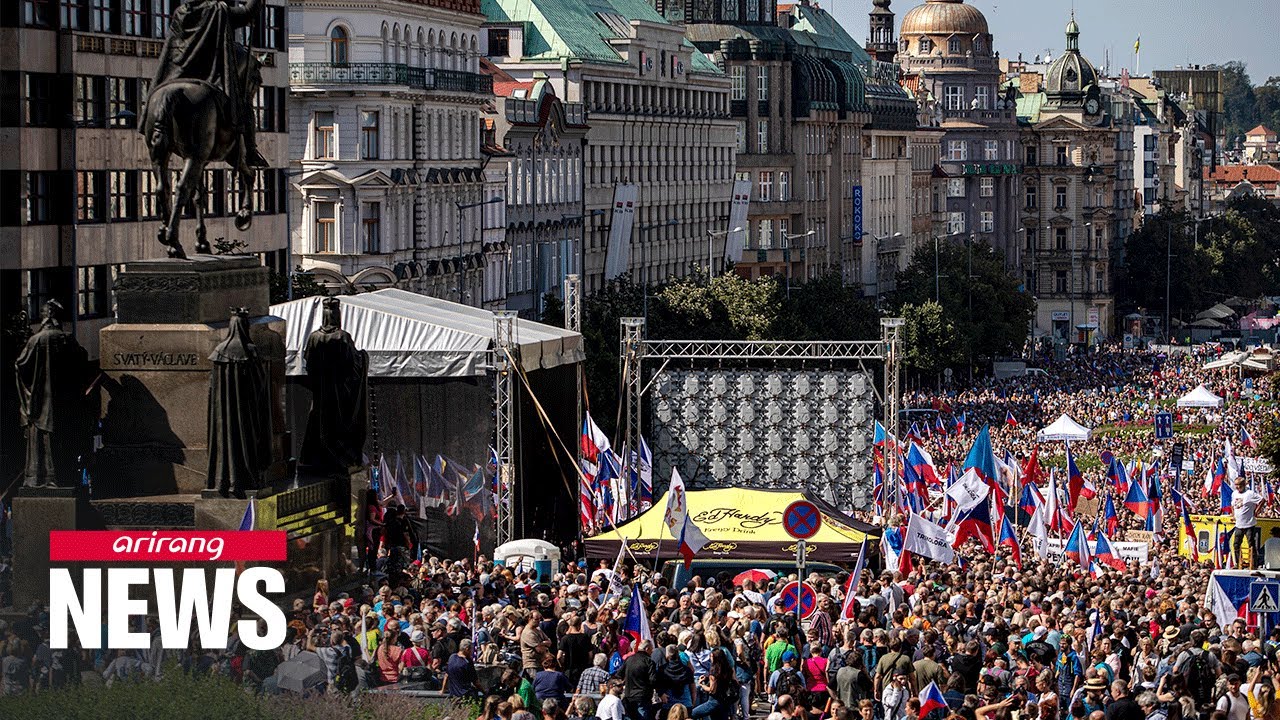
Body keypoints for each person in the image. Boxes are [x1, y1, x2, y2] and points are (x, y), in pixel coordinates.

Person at [622, 639, 659, 720]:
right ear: (647, 649)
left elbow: (619, 675)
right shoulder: (649, 662)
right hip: (643, 697)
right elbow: (653, 680)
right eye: (651, 649)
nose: (652, 651)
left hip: (629, 696)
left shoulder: (629, 660)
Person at [1231, 478, 1264, 568]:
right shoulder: (1234, 494)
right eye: (1236, 485)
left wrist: (1256, 511)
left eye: (1240, 485)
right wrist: (1233, 514)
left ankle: (1253, 563)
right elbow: (1232, 505)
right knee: (1236, 544)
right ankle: (1238, 562)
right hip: (1238, 524)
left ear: (1244, 485)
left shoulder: (1249, 494)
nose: (1238, 487)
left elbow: (1262, 500)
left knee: (1251, 544)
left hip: (1249, 524)